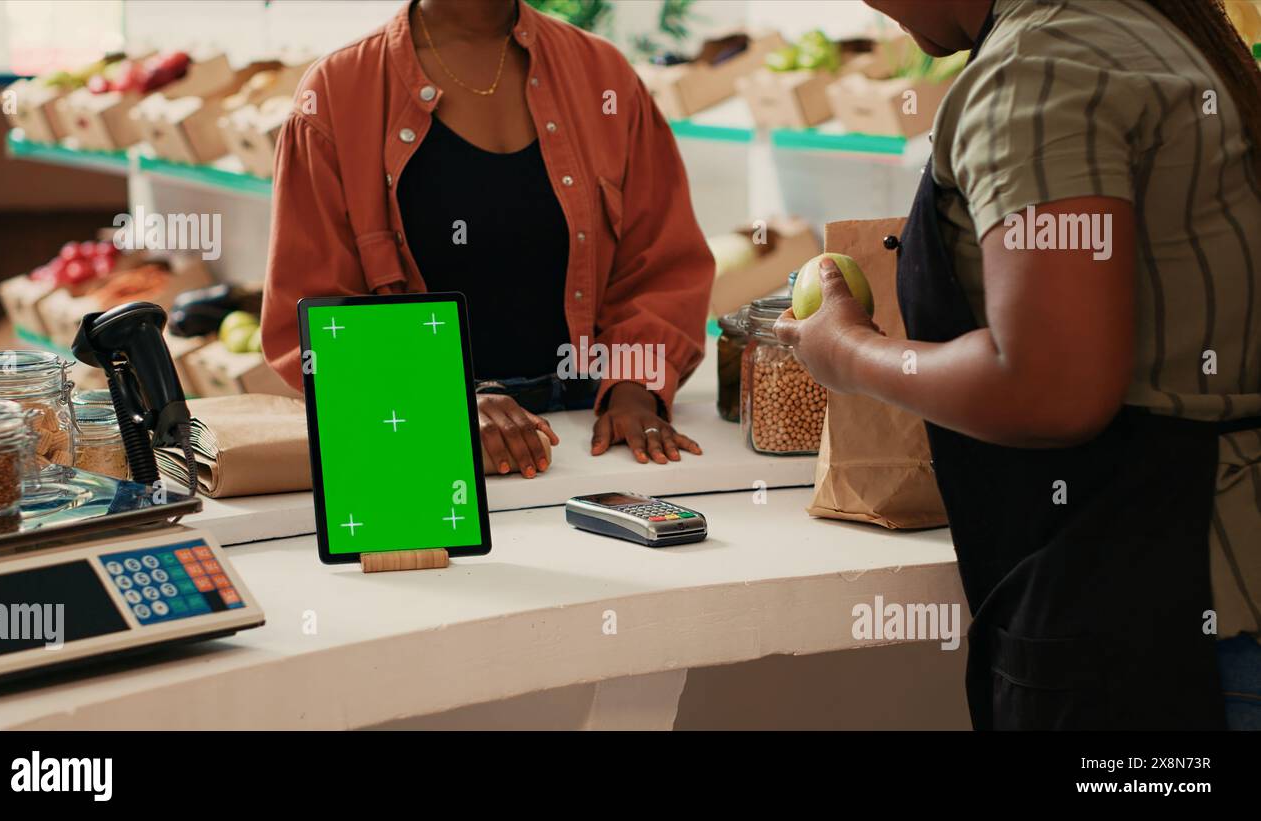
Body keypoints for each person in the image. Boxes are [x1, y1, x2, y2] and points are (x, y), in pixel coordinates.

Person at [776, 0, 1261, 729]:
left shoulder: (1037, 68)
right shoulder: (1123, 24)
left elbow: (1049, 386)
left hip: (1163, 623)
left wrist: (847, 351)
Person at [261, 0, 713, 478]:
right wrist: (445, 401)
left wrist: (634, 388)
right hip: (423, 440)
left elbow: (662, 261)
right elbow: (316, 320)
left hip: (590, 433)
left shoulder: (602, 73)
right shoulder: (336, 92)